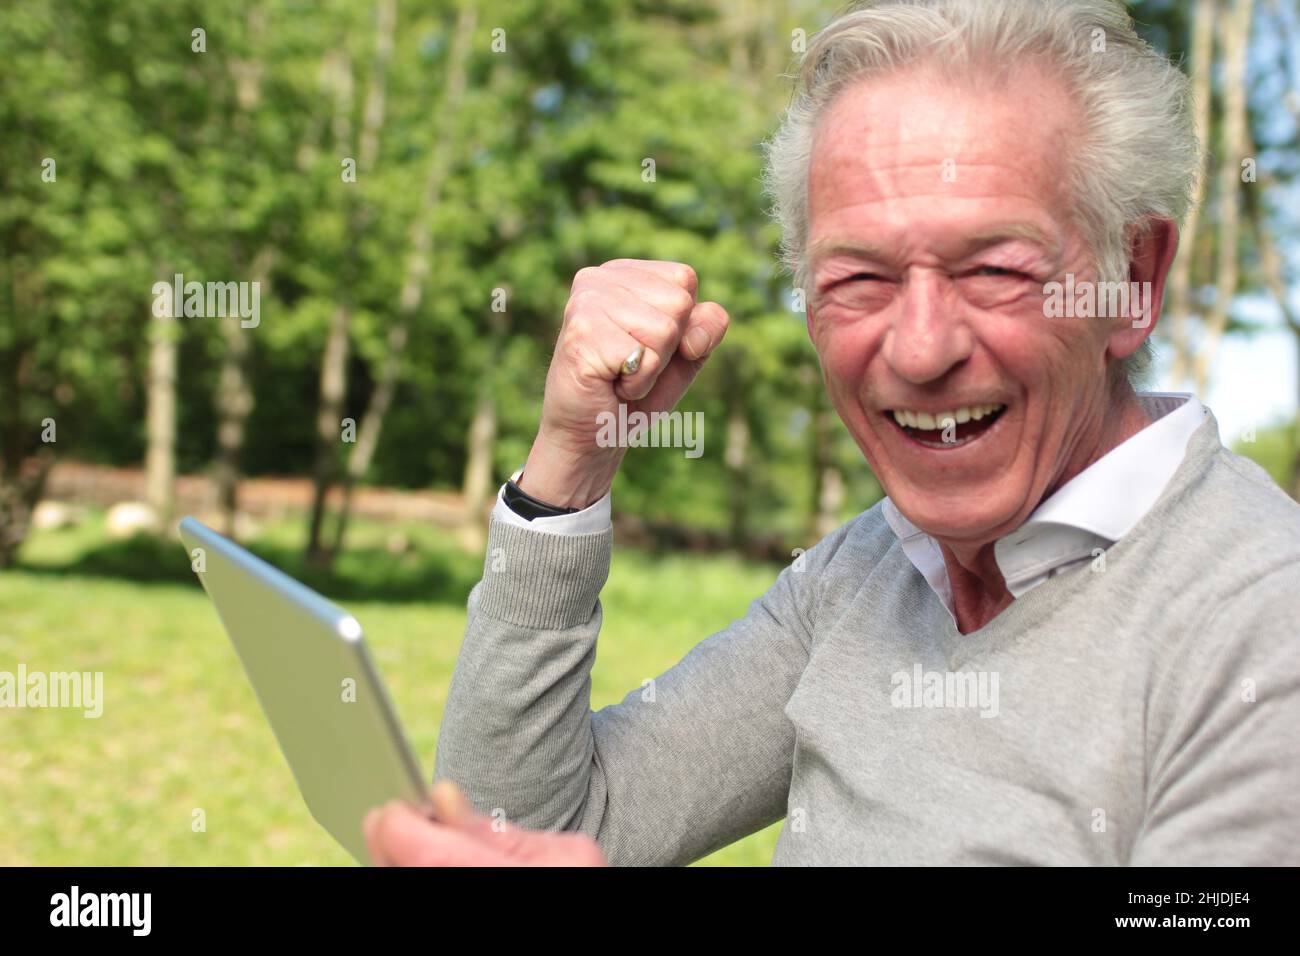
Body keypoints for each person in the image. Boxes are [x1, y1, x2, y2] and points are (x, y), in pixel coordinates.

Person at [367, 0, 1300, 865]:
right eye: (858, 279)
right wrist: (567, 471)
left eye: (992, 269)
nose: (922, 348)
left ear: (1131, 279)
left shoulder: (1263, 621)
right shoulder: (868, 570)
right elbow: (518, 834)